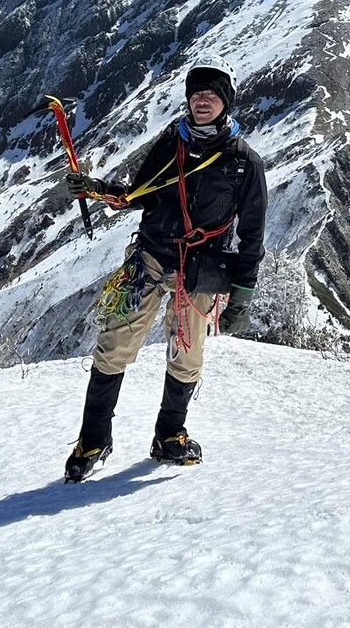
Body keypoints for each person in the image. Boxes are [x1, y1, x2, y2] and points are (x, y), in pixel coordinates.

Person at [62, 54, 267, 482]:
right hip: (152, 257)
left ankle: (169, 435)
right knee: (113, 346)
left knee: (187, 356)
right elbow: (141, 193)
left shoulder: (245, 163)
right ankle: (93, 439)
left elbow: (252, 236)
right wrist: (99, 189)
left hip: (198, 269)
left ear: (226, 102)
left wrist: (242, 296)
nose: (202, 101)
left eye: (212, 95)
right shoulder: (171, 143)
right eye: (197, 94)